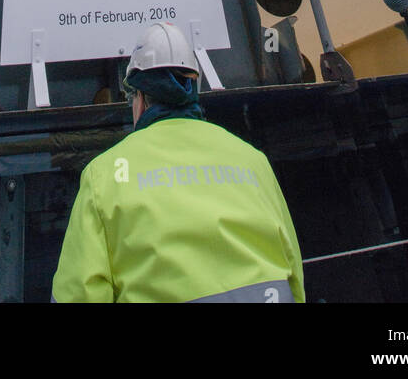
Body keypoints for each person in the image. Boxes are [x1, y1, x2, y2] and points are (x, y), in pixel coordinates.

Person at [52, 21, 305, 303]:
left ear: (140, 99)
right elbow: (293, 269)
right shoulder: (253, 160)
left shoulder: (104, 176)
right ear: (193, 88)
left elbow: (78, 294)